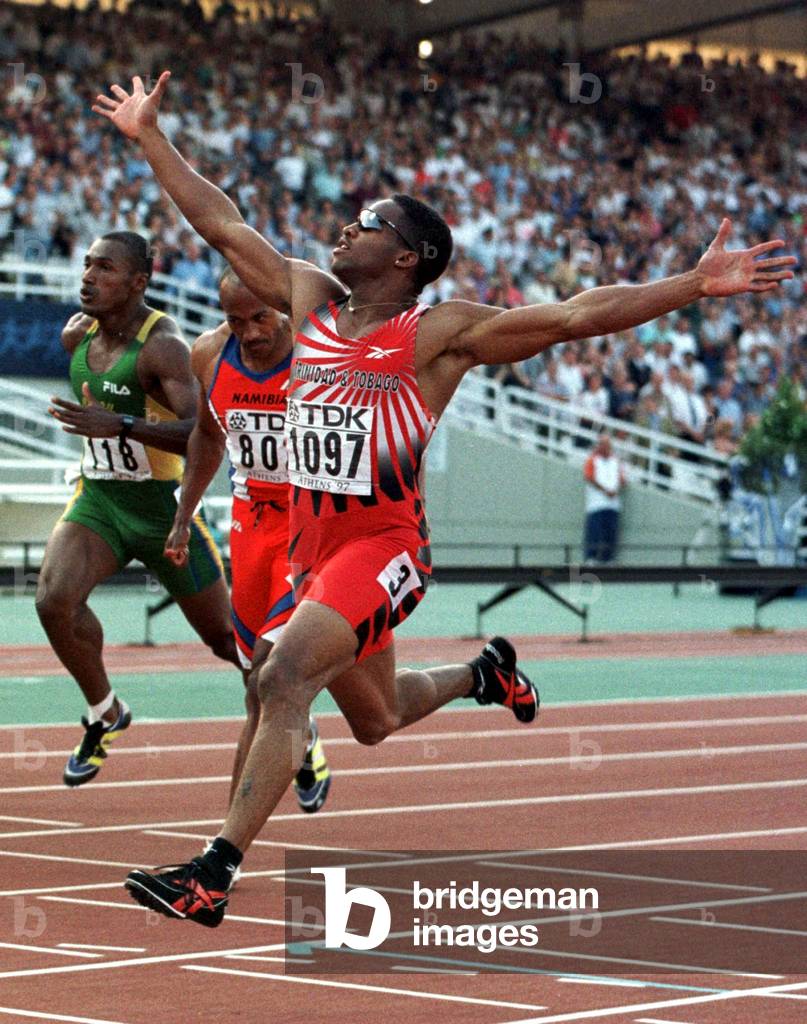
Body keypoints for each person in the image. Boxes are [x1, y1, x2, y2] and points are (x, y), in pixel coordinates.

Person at [95, 73, 795, 926]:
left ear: (405, 257)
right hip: (313, 552)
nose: (347, 226)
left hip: (382, 547)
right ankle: (484, 672)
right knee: (376, 719)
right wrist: (150, 137)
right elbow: (221, 223)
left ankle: (212, 873)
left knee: (279, 682)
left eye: (371, 223)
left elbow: (574, 316)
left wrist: (690, 284)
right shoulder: (309, 299)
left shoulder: (435, 335)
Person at [40, 231, 238, 787]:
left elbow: (206, 434)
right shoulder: (76, 334)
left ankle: (297, 731)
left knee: (227, 641)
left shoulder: (164, 346)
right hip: (100, 499)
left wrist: (124, 424)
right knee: (54, 601)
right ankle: (106, 712)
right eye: (86, 265)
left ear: (138, 282)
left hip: (161, 510)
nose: (87, 277)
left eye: (103, 268)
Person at [163, 267, 331, 813]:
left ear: (283, 308)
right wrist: (185, 514)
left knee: (265, 676)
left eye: (260, 317)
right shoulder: (210, 354)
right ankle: (300, 737)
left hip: (308, 527)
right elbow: (208, 436)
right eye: (237, 320)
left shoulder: (318, 352)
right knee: (257, 681)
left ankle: (223, 851)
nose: (250, 332)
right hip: (249, 529)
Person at [583, 434, 626, 563]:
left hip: (612, 504)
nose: (606, 447)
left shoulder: (615, 461)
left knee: (610, 533)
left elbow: (622, 480)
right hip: (596, 504)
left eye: (607, 445)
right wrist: (605, 490)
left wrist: (615, 490)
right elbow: (589, 477)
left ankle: (608, 559)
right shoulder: (592, 459)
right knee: (594, 533)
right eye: (603, 444)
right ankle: (591, 558)